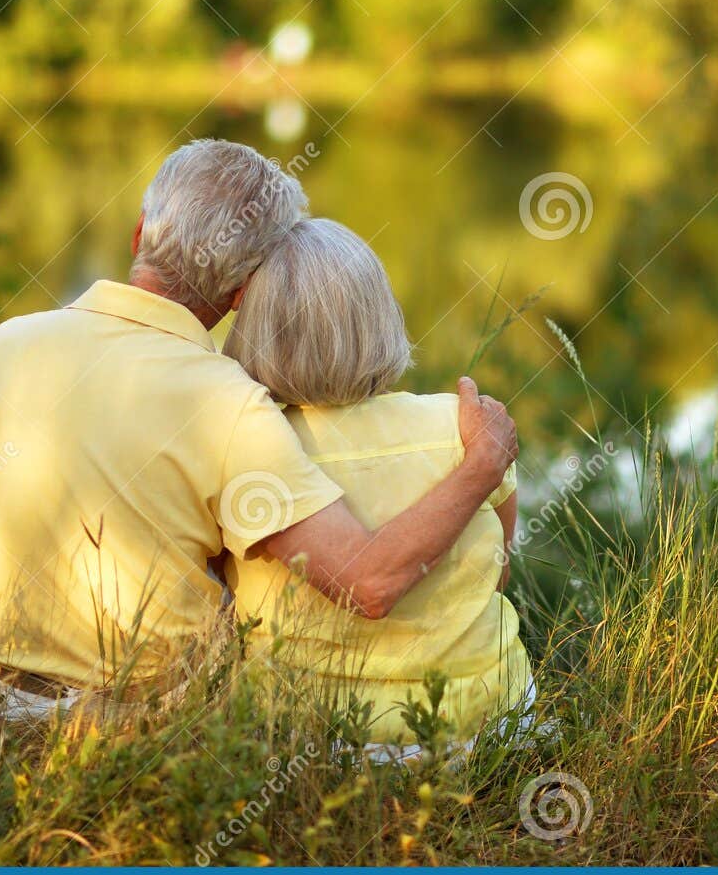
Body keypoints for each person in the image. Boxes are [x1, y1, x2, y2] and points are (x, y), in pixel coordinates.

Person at [0, 139, 517, 717]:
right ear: (244, 292)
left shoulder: (5, 344)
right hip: (140, 713)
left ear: (139, 234)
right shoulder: (232, 404)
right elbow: (367, 584)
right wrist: (481, 467)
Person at [224, 218, 531, 759]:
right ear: (381, 319)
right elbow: (498, 573)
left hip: (308, 736)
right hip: (488, 726)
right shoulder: (466, 428)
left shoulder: (248, 447)